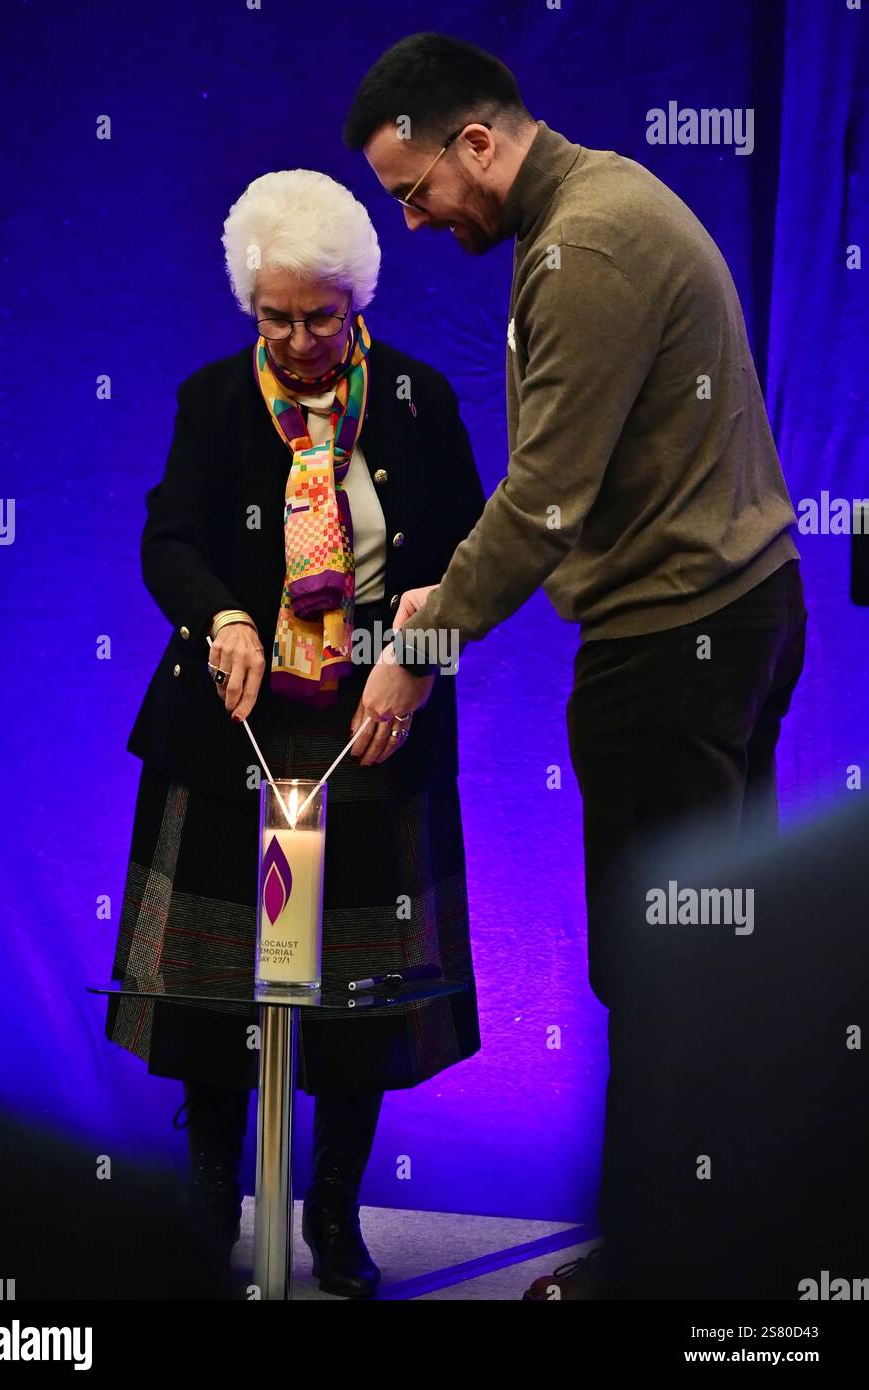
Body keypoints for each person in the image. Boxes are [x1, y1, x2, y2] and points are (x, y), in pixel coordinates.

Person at [344, 34, 806, 1298]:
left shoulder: (581, 248)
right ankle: (718, 1255)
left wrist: (420, 649)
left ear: (475, 143)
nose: (416, 218)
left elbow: (546, 499)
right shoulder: (599, 204)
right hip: (730, 621)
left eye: (413, 188)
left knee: (659, 974)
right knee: (701, 962)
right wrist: (454, 587)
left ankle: (664, 1279)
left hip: (675, 651)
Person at [104, 167, 486, 1298]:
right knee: (219, 992)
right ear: (248, 304)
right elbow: (168, 538)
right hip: (231, 733)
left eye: (322, 314)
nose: (302, 337)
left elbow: (470, 557)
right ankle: (209, 1199)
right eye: (276, 315)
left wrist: (410, 664)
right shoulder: (211, 400)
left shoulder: (417, 400)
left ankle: (333, 1217)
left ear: (358, 297)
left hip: (375, 726)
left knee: (355, 1001)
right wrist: (220, 613)